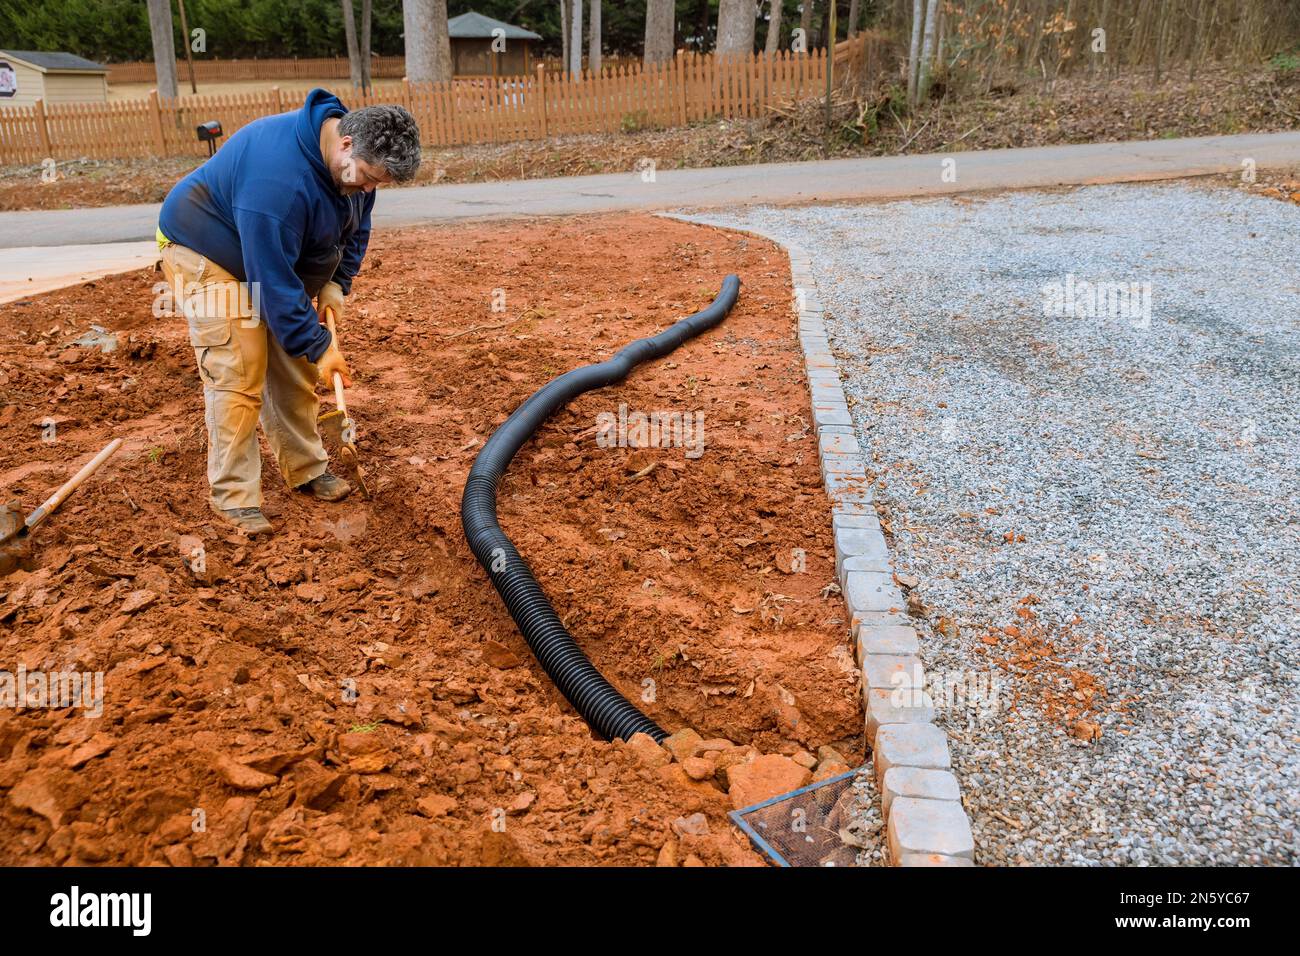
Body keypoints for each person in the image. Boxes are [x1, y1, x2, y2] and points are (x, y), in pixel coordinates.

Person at [156, 88, 420, 534]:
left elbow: (357, 226)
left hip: (264, 255)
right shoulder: (278, 179)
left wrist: (339, 282)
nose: (370, 189)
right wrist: (321, 347)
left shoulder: (354, 170)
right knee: (240, 366)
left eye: (379, 183)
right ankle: (234, 497)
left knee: (295, 365)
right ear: (347, 144)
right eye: (369, 178)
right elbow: (270, 279)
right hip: (205, 250)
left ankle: (307, 468)